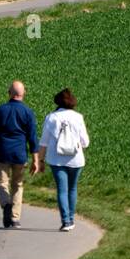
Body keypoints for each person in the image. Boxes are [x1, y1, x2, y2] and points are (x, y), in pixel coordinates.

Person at [0, 80, 40, 229]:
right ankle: (15, 218)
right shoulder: (28, 112)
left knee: (2, 183)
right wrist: (36, 160)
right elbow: (33, 137)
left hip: (2, 152)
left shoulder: (0, 110)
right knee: (17, 185)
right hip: (19, 154)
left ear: (9, 93)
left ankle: (6, 204)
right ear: (23, 94)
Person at [37, 88, 90, 232]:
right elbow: (85, 142)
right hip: (76, 159)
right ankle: (71, 219)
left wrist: (39, 161)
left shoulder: (51, 117)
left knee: (62, 189)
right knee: (72, 188)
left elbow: (44, 142)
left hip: (56, 160)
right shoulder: (78, 117)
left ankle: (66, 221)